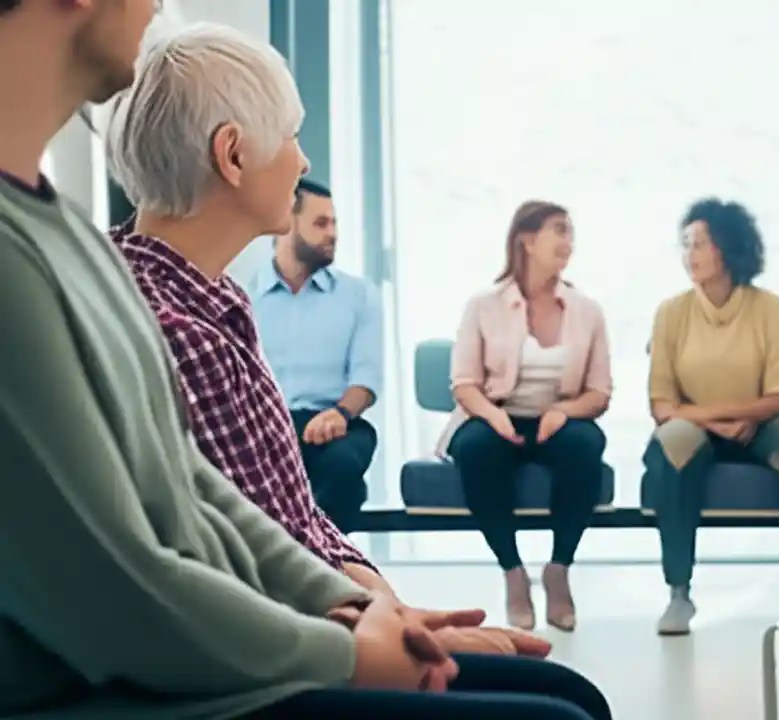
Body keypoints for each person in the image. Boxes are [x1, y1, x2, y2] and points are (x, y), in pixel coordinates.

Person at [0, 6, 609, 719]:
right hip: (145, 685)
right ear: (232, 156)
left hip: (220, 647)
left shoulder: (74, 238)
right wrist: (350, 646)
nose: (156, 5)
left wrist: (361, 608)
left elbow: (201, 496)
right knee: (559, 712)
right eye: (291, 137)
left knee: (564, 697)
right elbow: (126, 585)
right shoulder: (50, 270)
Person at [644, 198, 779, 636]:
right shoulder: (671, 312)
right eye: (685, 244)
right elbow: (662, 405)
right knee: (674, 443)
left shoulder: (767, 307)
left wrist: (726, 416)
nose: (690, 254)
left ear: (728, 247)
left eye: (701, 243)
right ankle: (679, 593)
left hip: (762, 422)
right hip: (698, 426)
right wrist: (715, 422)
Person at [441, 200, 612, 633]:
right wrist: (494, 418)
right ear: (527, 239)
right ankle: (513, 573)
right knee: (476, 448)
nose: (569, 243)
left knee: (586, 445)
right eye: (560, 230)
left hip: (559, 418)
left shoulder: (587, 310)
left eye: (571, 232)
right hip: (495, 413)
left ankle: (558, 570)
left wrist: (563, 411)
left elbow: (599, 392)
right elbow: (464, 384)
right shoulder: (483, 305)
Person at [249, 178, 381, 532]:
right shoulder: (241, 297)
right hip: (265, 426)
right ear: (287, 223)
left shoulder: (358, 295)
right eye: (321, 224)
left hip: (335, 424)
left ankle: (316, 565)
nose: (333, 233)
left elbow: (366, 381)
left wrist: (339, 413)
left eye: (334, 223)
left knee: (343, 465)